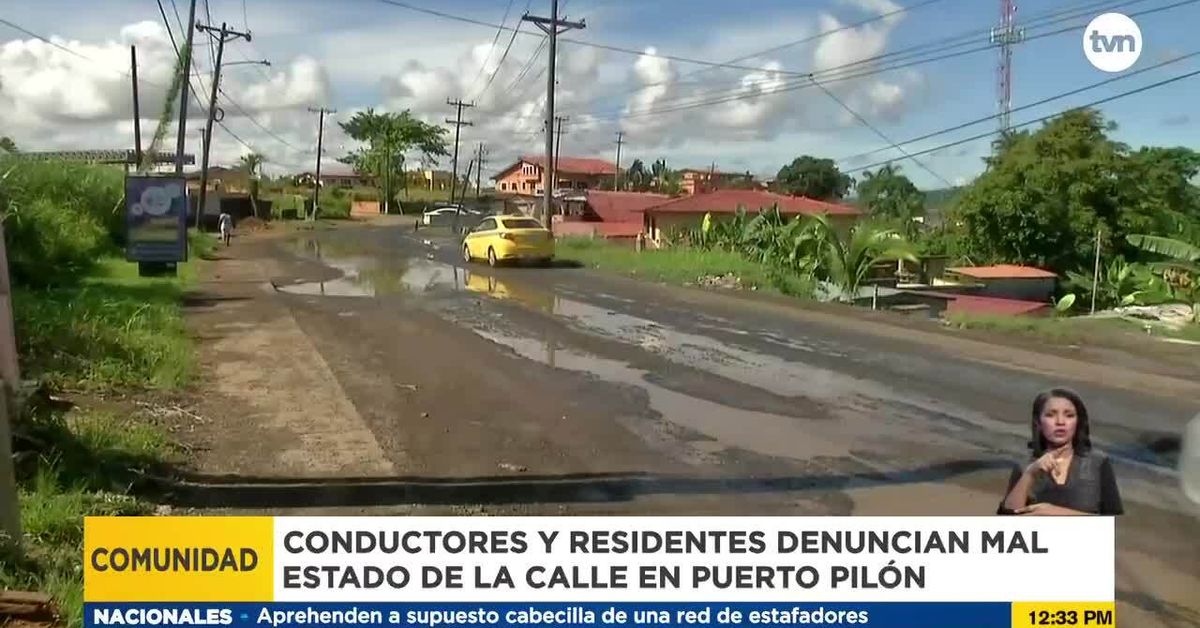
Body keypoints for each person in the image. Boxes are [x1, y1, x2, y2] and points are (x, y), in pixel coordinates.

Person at [999, 388, 1123, 516]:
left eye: (1069, 415)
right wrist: (1030, 474)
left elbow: (1115, 526)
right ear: (1038, 423)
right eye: (1050, 415)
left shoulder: (1097, 463)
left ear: (1078, 422)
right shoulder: (1025, 465)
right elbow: (1008, 521)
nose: (1060, 422)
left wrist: (1053, 512)